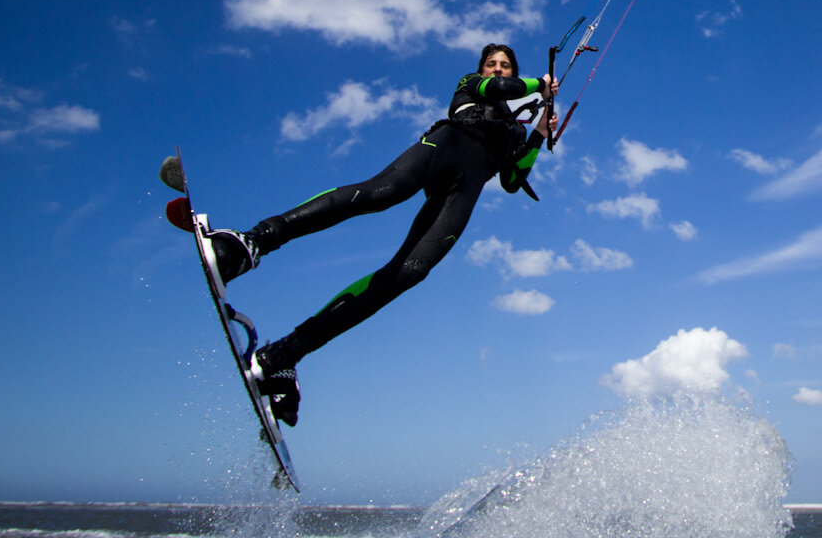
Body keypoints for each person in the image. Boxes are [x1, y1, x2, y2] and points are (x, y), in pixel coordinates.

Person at [205, 43, 559, 425]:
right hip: (443, 150)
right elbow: (497, 91)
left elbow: (511, 179)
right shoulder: (471, 85)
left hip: (464, 191)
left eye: (505, 65)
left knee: (411, 271)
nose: (497, 69)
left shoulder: (511, 131)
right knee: (381, 194)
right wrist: (538, 83)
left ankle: (281, 358)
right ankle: (250, 243)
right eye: (492, 63)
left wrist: (538, 134)